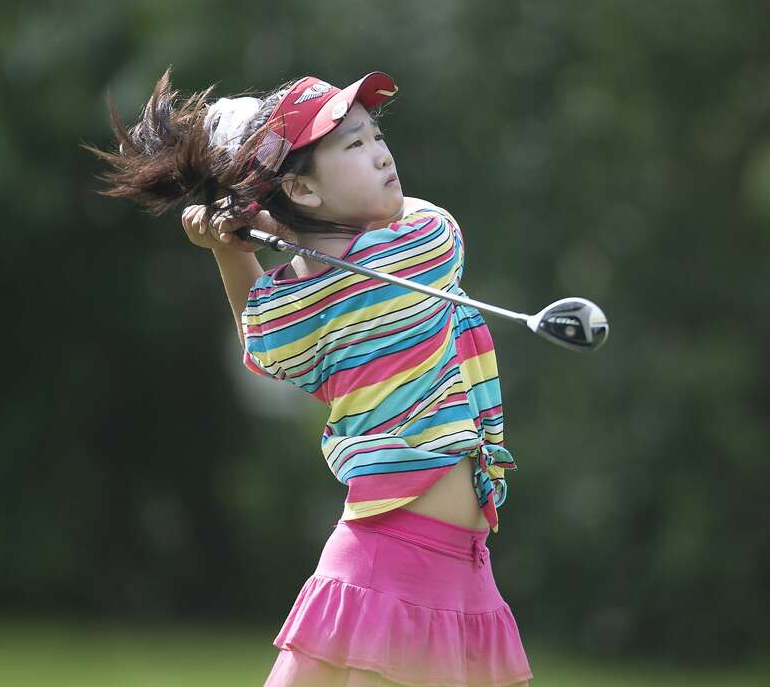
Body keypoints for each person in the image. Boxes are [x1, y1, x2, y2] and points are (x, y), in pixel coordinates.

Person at [89, 69, 532, 686]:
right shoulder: (363, 264)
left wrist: (237, 247)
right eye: (353, 144)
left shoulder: (414, 249)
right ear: (300, 187)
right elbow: (271, 340)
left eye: (375, 136)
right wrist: (256, 238)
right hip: (388, 561)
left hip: (456, 569)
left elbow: (263, 339)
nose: (381, 153)